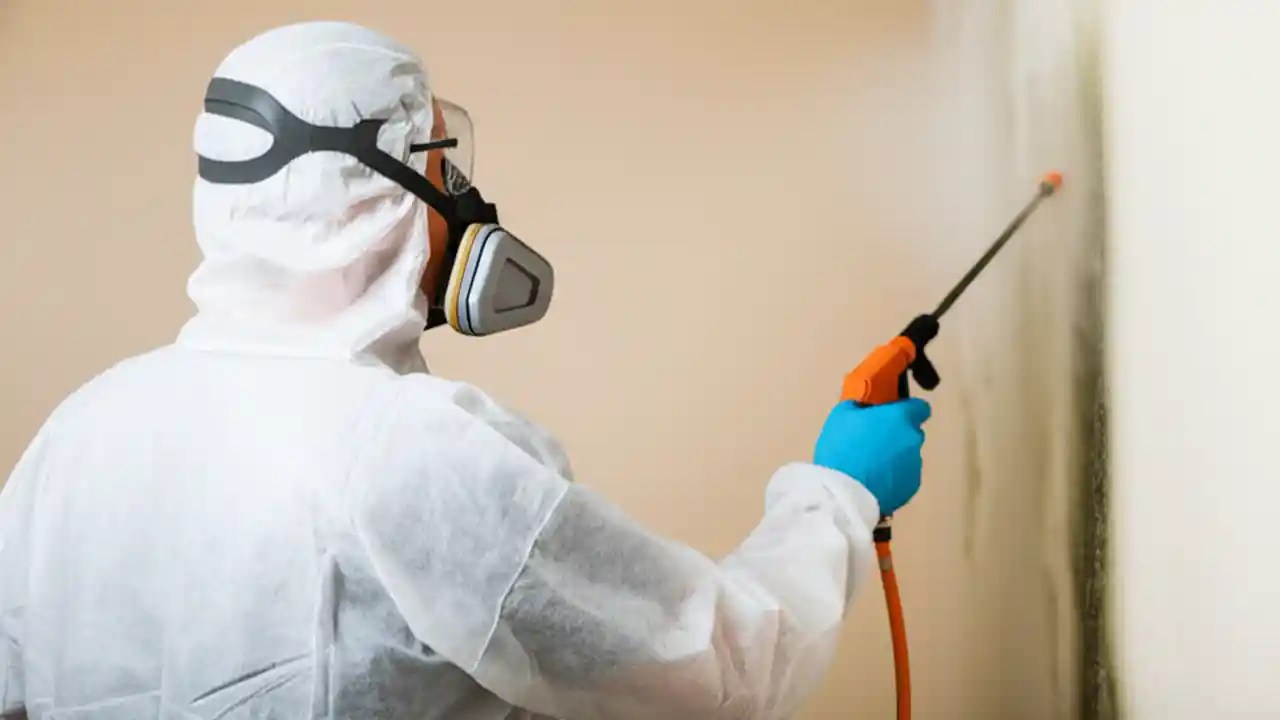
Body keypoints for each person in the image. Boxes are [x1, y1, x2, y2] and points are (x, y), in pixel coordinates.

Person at [0, 21, 931, 720]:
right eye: (444, 165)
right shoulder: (406, 448)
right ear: (379, 193)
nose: (463, 201)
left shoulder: (76, 437)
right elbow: (720, 670)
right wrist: (837, 495)